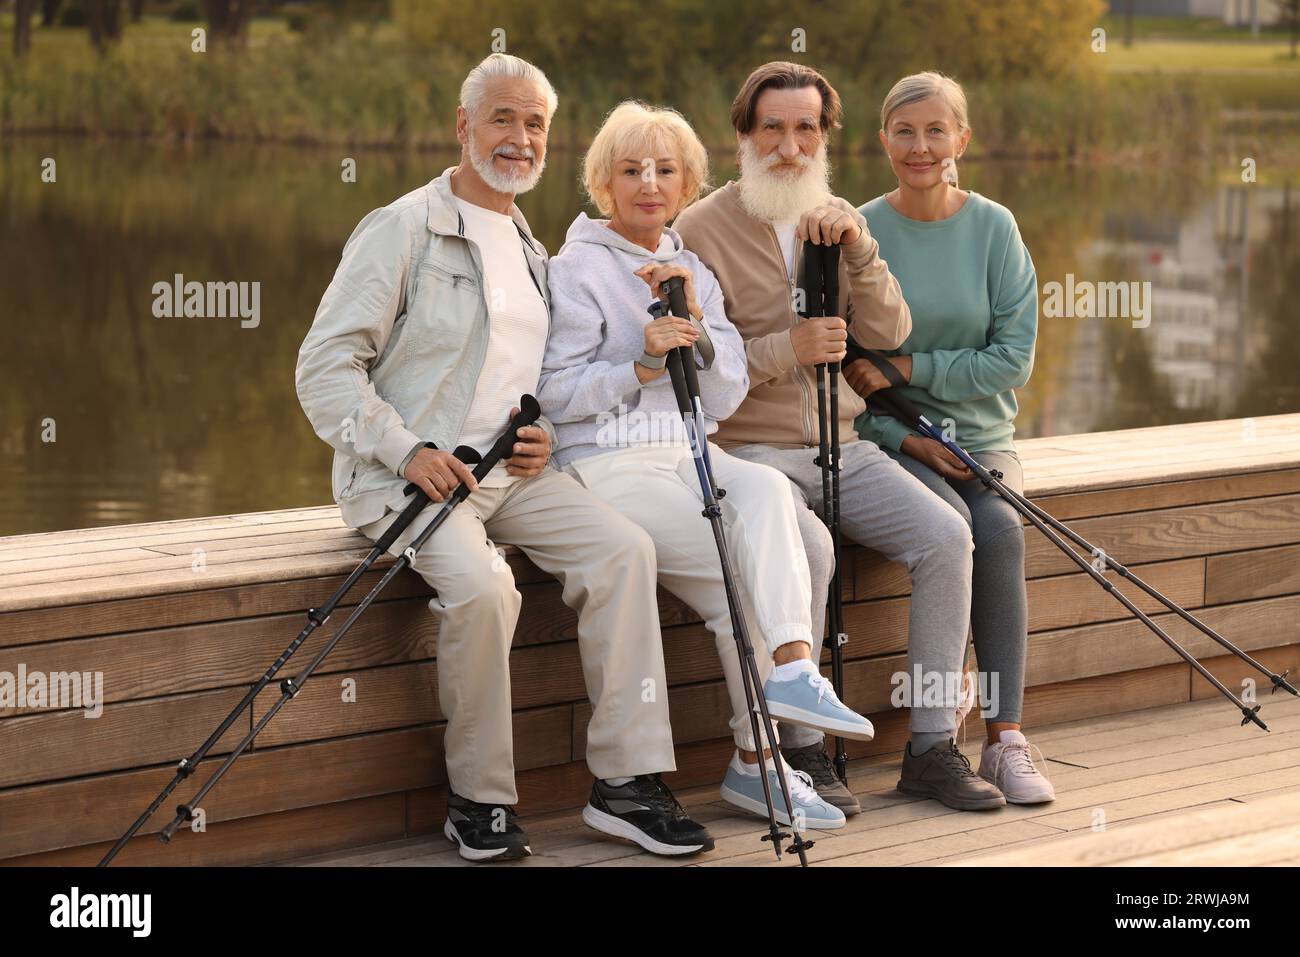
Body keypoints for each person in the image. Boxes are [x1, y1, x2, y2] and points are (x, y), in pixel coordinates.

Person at [296, 54, 715, 862]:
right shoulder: (404, 227)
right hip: (404, 480)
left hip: (509, 474)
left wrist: (543, 433)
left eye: (535, 125)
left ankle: (626, 785)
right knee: (486, 587)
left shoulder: (528, 243)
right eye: (502, 119)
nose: (519, 139)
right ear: (464, 126)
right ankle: (478, 799)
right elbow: (323, 369)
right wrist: (405, 447)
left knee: (625, 550)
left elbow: (532, 379)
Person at [675, 61, 1006, 812]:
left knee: (949, 534)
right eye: (773, 128)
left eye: (805, 129)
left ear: (823, 137)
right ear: (743, 135)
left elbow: (890, 333)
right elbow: (696, 364)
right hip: (746, 451)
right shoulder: (699, 228)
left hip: (845, 449)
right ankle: (800, 750)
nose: (789, 146)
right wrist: (784, 348)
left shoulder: (836, 218)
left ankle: (931, 746)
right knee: (810, 547)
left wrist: (859, 246)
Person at [539, 101, 876, 832]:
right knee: (742, 563)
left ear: (687, 184)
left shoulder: (691, 267)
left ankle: (789, 675)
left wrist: (701, 335)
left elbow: (720, 401)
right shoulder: (575, 270)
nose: (648, 183)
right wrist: (640, 363)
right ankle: (758, 761)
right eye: (630, 171)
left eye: (665, 170)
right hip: (608, 462)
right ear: (604, 184)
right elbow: (556, 396)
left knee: (760, 486)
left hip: (688, 452)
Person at [846, 71, 1053, 804]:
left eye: (937, 130)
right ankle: (936, 740)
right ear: (883, 141)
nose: (921, 146)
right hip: (894, 439)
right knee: (955, 525)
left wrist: (910, 364)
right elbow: (848, 372)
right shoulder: (860, 230)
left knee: (999, 528)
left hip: (985, 439)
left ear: (962, 139)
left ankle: (1005, 739)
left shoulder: (995, 228)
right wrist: (903, 437)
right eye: (905, 131)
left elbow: (1013, 358)